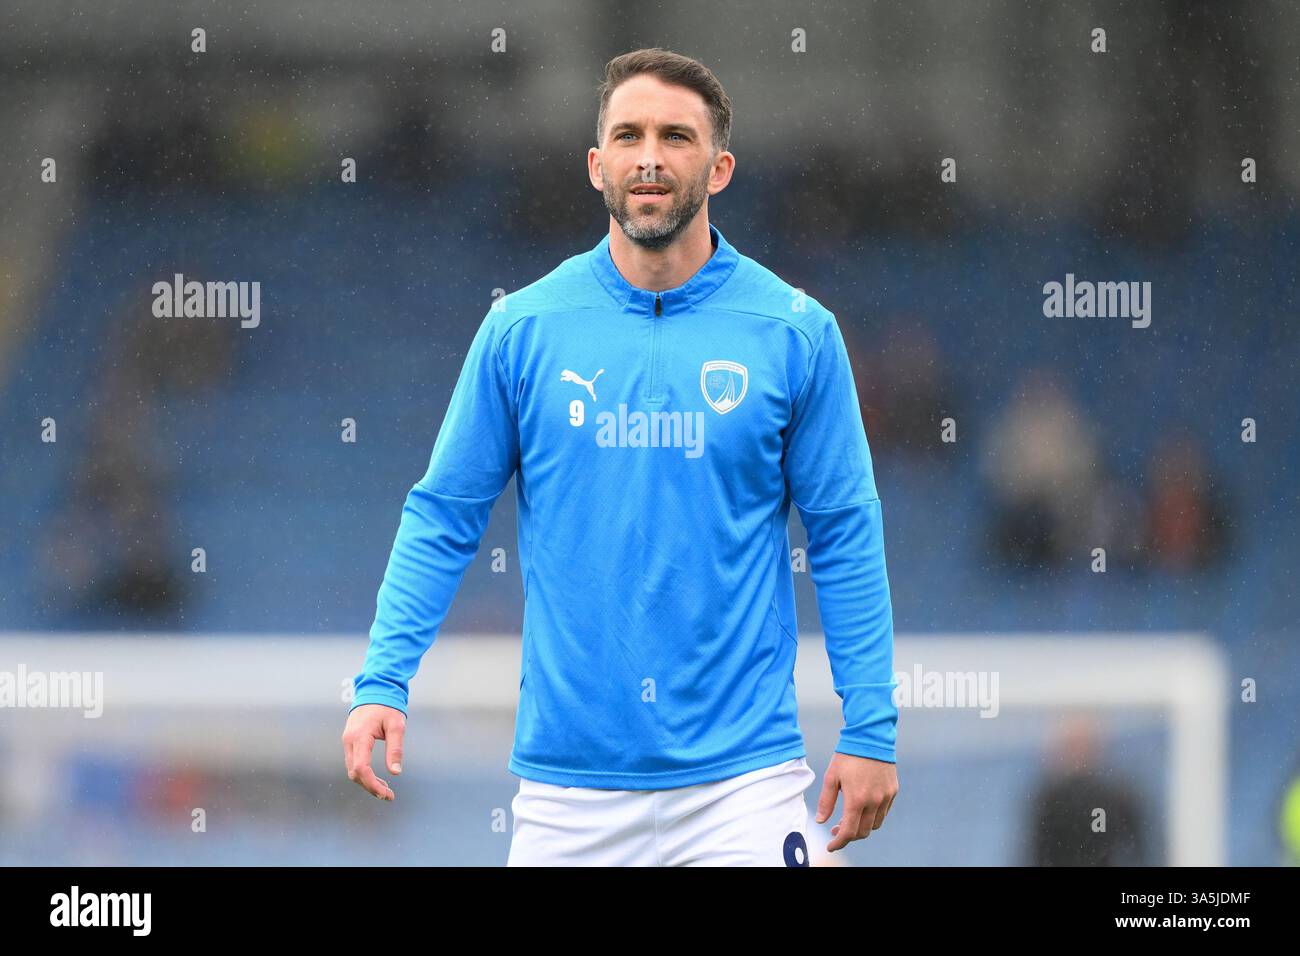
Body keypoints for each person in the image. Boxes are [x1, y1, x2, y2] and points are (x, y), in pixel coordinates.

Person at [341, 48, 899, 866]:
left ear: (720, 167)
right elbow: (444, 515)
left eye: (676, 136)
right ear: (597, 164)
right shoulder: (523, 329)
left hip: (742, 787)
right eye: (629, 135)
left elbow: (845, 532)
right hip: (568, 802)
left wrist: (872, 725)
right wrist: (382, 680)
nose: (650, 156)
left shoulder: (795, 333)